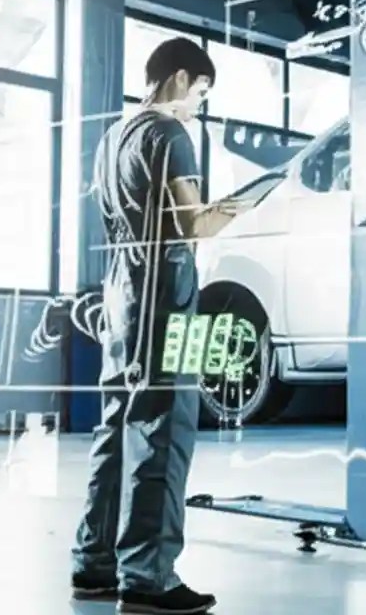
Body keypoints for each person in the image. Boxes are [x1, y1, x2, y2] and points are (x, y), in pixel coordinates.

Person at [70, 37, 239, 615]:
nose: (200, 104)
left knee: (116, 426)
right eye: (202, 91)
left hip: (120, 293)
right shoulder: (170, 134)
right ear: (181, 78)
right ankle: (149, 575)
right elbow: (194, 224)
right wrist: (248, 202)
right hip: (167, 293)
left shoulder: (112, 137)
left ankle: (93, 564)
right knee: (164, 433)